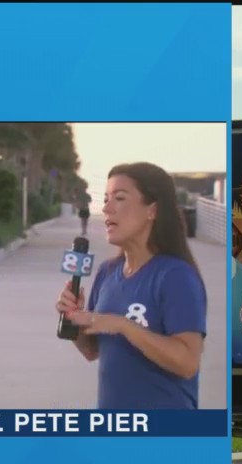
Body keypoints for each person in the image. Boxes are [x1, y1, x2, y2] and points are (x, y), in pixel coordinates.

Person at [56, 162, 207, 409]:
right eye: (105, 199)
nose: (106, 208)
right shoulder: (107, 272)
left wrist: (123, 325)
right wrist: (75, 320)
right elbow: (91, 351)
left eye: (119, 198)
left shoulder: (176, 276)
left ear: (152, 210)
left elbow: (187, 363)